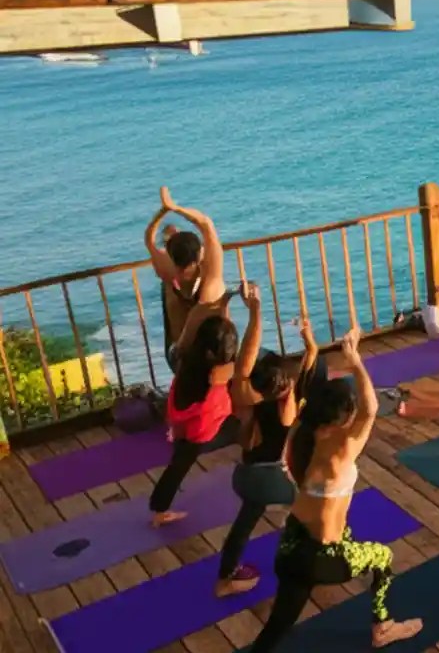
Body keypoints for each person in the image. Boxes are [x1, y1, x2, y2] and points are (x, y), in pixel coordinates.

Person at [250, 327, 420, 651]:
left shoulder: (300, 430)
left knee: (276, 628)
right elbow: (371, 409)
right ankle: (382, 627)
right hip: (321, 555)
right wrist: (355, 361)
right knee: (383, 557)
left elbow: (307, 387)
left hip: (290, 547)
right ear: (338, 422)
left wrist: (314, 351)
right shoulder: (341, 452)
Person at [215, 284, 318, 597]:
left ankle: (225, 579)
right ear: (285, 383)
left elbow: (244, 361)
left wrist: (253, 312)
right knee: (316, 500)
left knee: (245, 522)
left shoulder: (246, 400)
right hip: (279, 481)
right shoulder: (293, 399)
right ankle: (311, 558)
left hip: (246, 478)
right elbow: (312, 355)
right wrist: (307, 336)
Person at [150, 293, 241, 527]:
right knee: (249, 422)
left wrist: (225, 302)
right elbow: (240, 360)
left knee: (179, 462)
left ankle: (159, 507)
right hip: (205, 428)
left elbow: (222, 332)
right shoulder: (217, 373)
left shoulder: (189, 358)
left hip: (182, 417)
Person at [144, 186, 227, 371]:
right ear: (199, 254)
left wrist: (162, 212)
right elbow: (205, 223)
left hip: (178, 355)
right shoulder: (211, 274)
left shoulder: (166, 270)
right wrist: (175, 207)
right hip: (210, 353)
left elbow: (148, 237)